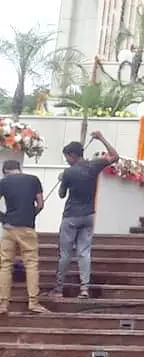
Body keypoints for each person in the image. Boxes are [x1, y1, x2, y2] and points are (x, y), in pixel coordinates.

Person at [57, 132, 118, 298]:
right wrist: (102, 138)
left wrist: (62, 178)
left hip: (71, 216)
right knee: (84, 253)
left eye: (67, 157)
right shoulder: (95, 165)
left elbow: (62, 194)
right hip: (89, 215)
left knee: (65, 254)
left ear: (73, 155)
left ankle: (58, 289)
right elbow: (115, 156)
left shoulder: (69, 172)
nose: (66, 160)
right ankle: (84, 288)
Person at [1, 159, 48, 315]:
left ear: (5, 171)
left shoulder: (3, 182)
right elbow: (40, 204)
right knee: (31, 264)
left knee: (6, 265)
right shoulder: (33, 180)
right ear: (19, 168)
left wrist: (5, 219)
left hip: (9, 229)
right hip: (27, 229)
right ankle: (33, 302)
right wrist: (29, 216)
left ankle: (3, 304)